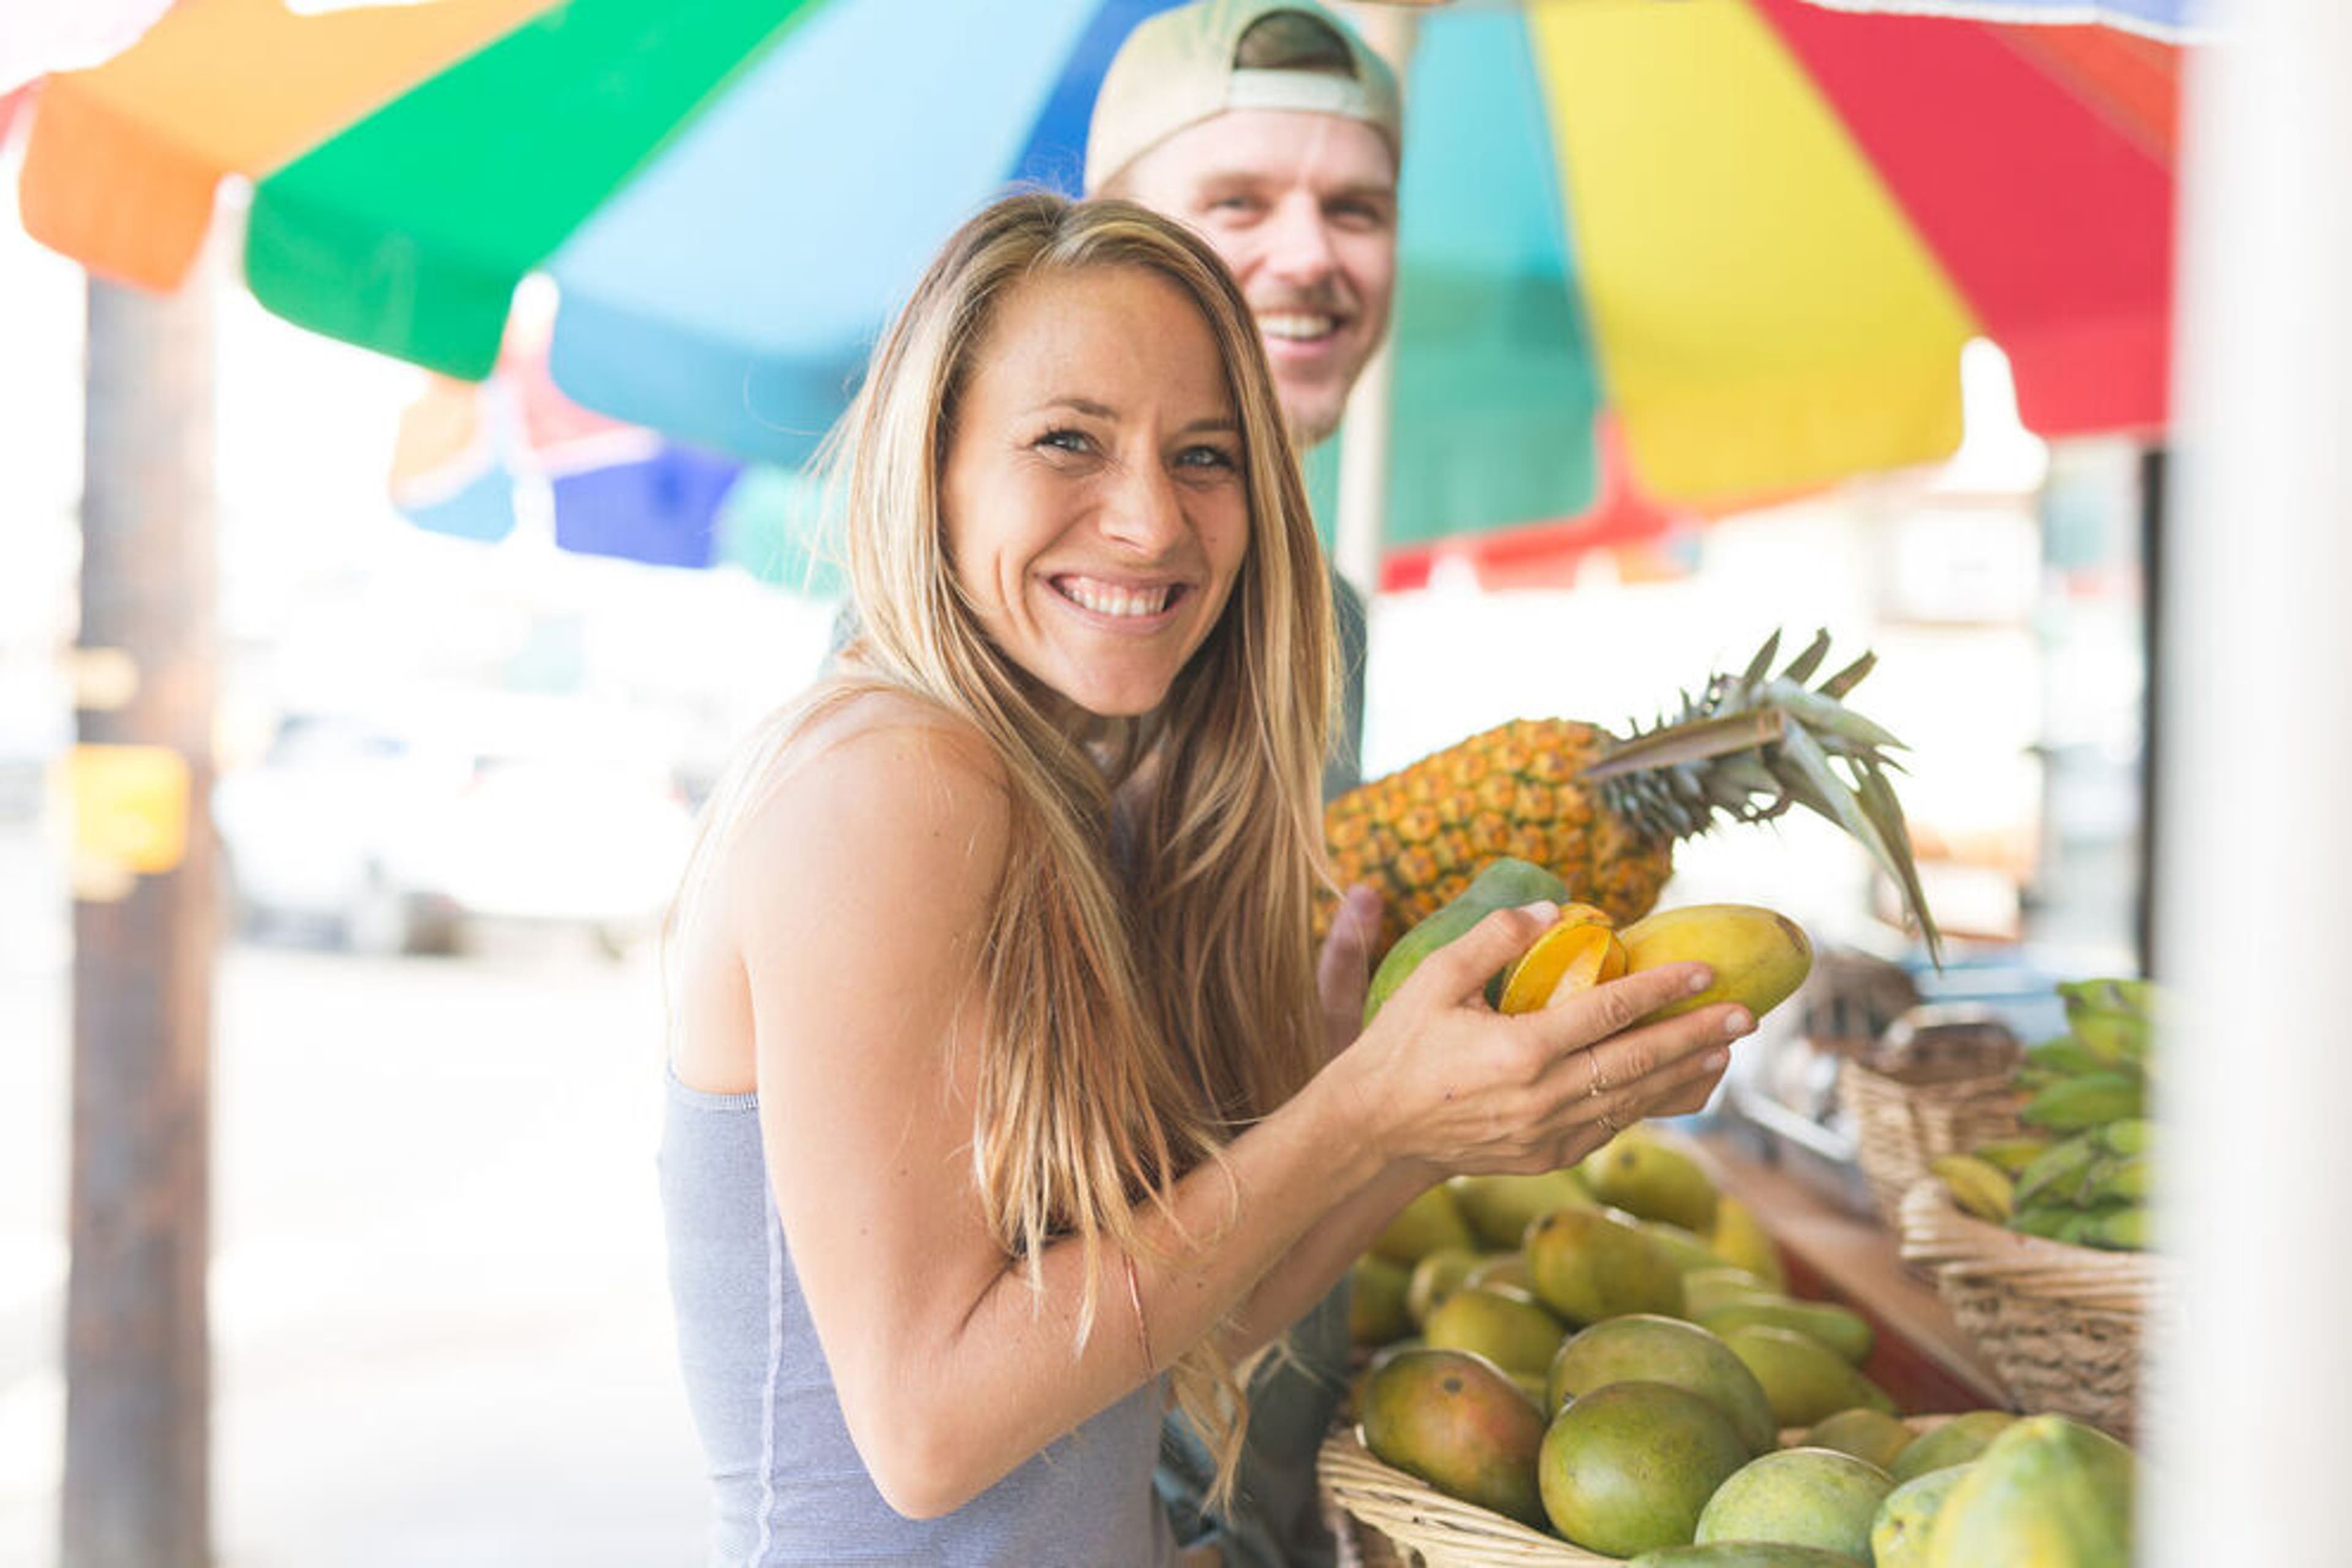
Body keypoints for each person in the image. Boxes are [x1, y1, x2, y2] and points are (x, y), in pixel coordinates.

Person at [659, 189, 1746, 1564]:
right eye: (1068, 441)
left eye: (1206, 456)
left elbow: (1166, 1341)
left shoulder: (1064, 800)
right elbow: (928, 1425)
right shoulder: (888, 779)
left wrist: (1429, 1122)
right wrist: (1351, 1116)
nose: (1150, 522)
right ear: (929, 469)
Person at [1082, 4, 1404, 1559]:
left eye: (1357, 209)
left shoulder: (1325, 618)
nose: (1312, 258)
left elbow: (1268, 1109)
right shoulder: (1040, 602)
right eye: (1238, 205)